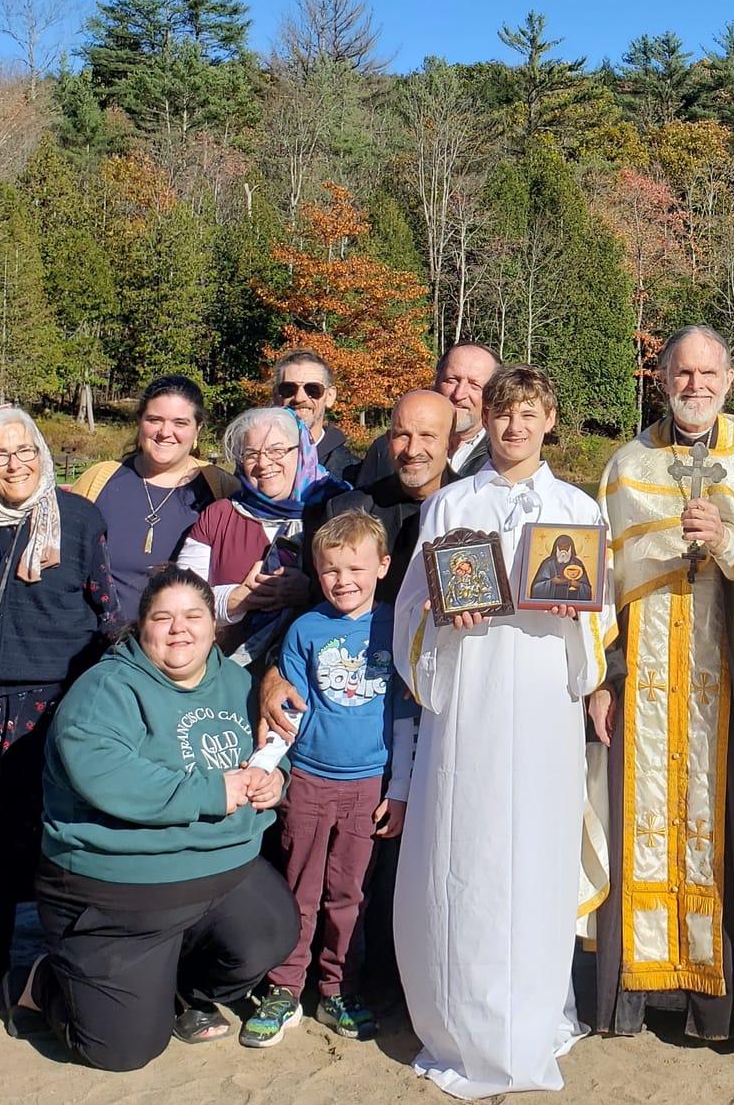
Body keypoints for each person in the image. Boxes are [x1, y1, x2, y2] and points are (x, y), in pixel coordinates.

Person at [587, 325, 734, 1043]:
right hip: (648, 685)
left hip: (731, 682)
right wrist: (603, 677)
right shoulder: (629, 462)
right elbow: (599, 582)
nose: (696, 386)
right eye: (681, 374)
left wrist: (728, 543)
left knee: (732, 834)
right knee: (643, 830)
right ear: (662, 379)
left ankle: (722, 1007)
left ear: (728, 379)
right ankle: (638, 1001)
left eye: (708, 374)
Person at [392, 366, 614, 1095]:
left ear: (551, 419)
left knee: (536, 853)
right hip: (473, 701)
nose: (514, 428)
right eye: (501, 414)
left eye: (528, 414)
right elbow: (412, 607)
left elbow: (599, 622)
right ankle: (463, 1017)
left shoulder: (578, 508)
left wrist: (582, 617)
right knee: (470, 850)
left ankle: (534, 1008)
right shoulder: (452, 503)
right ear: (481, 421)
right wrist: (439, 615)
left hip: (545, 697)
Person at [9, 566, 298, 1071]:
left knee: (270, 933)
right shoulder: (104, 690)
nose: (178, 629)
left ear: (214, 625)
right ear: (141, 627)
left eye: (193, 616)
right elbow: (107, 775)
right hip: (117, 892)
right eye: (162, 617)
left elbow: (271, 747)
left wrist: (277, 780)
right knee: (123, 1051)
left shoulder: (238, 681)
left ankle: (177, 989)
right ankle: (45, 984)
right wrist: (212, 791)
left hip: (220, 871)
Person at [0, 407, 124, 1011]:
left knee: (45, 829)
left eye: (25, 451)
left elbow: (104, 606)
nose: (15, 465)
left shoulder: (81, 519)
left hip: (52, 699)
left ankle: (56, 957)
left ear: (41, 452)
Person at [241, 510, 406, 1048]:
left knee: (348, 894)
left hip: (368, 788)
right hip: (308, 782)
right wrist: (264, 766)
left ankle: (339, 986)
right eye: (331, 569)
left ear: (382, 566)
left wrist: (399, 789)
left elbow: (407, 716)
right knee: (299, 891)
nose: (344, 581)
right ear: (317, 570)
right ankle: (285, 987)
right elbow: (286, 710)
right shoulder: (305, 629)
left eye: (356, 568)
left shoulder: (397, 626)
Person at [179, 407, 342, 667]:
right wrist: (230, 600)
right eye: (252, 454)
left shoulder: (336, 510)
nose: (264, 463)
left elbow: (365, 591)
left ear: (301, 453)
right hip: (227, 671)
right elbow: (180, 597)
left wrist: (309, 590)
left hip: (318, 671)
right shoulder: (219, 516)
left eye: (277, 451)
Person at [68, 375, 238, 620]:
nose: (165, 432)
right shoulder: (99, 480)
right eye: (154, 420)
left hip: (182, 647)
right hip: (98, 647)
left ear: (197, 428)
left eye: (180, 423)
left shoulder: (220, 488)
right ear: (140, 422)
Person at [308, 388, 454, 603]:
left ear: (450, 442)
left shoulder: (476, 506)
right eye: (402, 435)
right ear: (388, 440)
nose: (412, 450)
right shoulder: (344, 510)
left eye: (427, 436)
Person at [353, 343, 500, 489]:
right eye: (451, 380)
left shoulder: (503, 458)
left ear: (493, 395)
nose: (459, 394)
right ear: (435, 382)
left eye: (475, 385)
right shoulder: (385, 450)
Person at [273, 349, 357, 480]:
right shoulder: (257, 467)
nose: (299, 398)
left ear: (330, 396)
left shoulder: (352, 473)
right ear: (276, 396)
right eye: (288, 389)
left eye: (312, 389)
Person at [529, 533, 594, 601]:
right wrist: (552, 582)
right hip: (551, 601)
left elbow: (587, 590)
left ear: (570, 548)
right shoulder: (548, 563)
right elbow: (536, 588)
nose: (563, 549)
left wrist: (578, 585)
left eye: (566, 546)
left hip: (572, 600)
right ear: (556, 548)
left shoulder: (577, 563)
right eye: (560, 546)